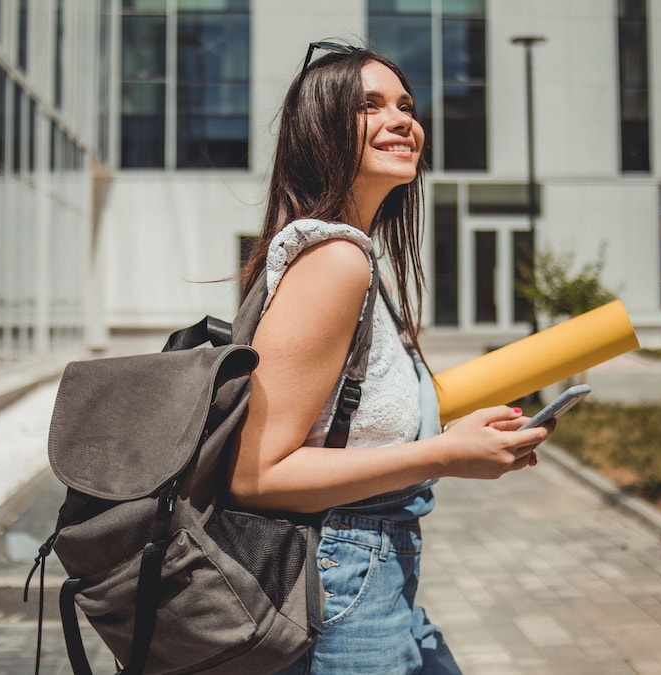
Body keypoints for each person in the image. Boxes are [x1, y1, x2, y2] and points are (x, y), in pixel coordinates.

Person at [229, 41, 553, 674]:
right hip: (342, 575)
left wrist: (456, 433)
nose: (402, 119)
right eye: (369, 106)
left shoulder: (355, 257)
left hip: (372, 567)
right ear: (320, 128)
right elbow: (256, 475)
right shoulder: (333, 262)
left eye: (405, 104)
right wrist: (445, 455)